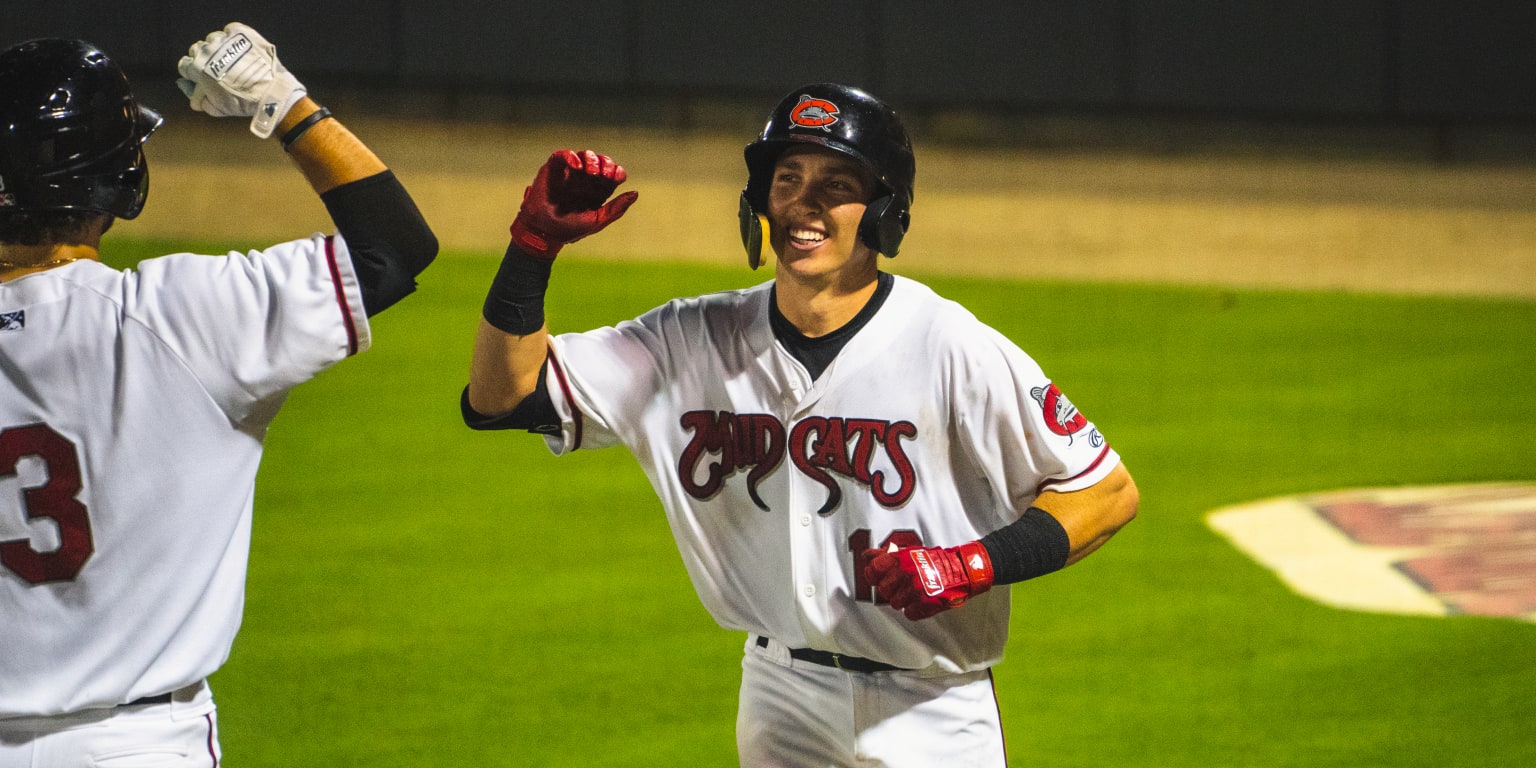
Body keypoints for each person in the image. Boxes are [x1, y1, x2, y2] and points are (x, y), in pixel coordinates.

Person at [463, 83, 1138, 767]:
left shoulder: (950, 345)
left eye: (836, 185)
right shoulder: (688, 339)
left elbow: (1105, 491)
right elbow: (503, 396)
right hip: (778, 695)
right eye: (787, 179)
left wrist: (973, 564)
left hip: (931, 707)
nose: (803, 204)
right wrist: (531, 250)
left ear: (884, 211)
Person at [0, 23, 436, 765]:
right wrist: (284, 103)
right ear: (115, 175)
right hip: (137, 746)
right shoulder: (181, 314)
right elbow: (393, 248)